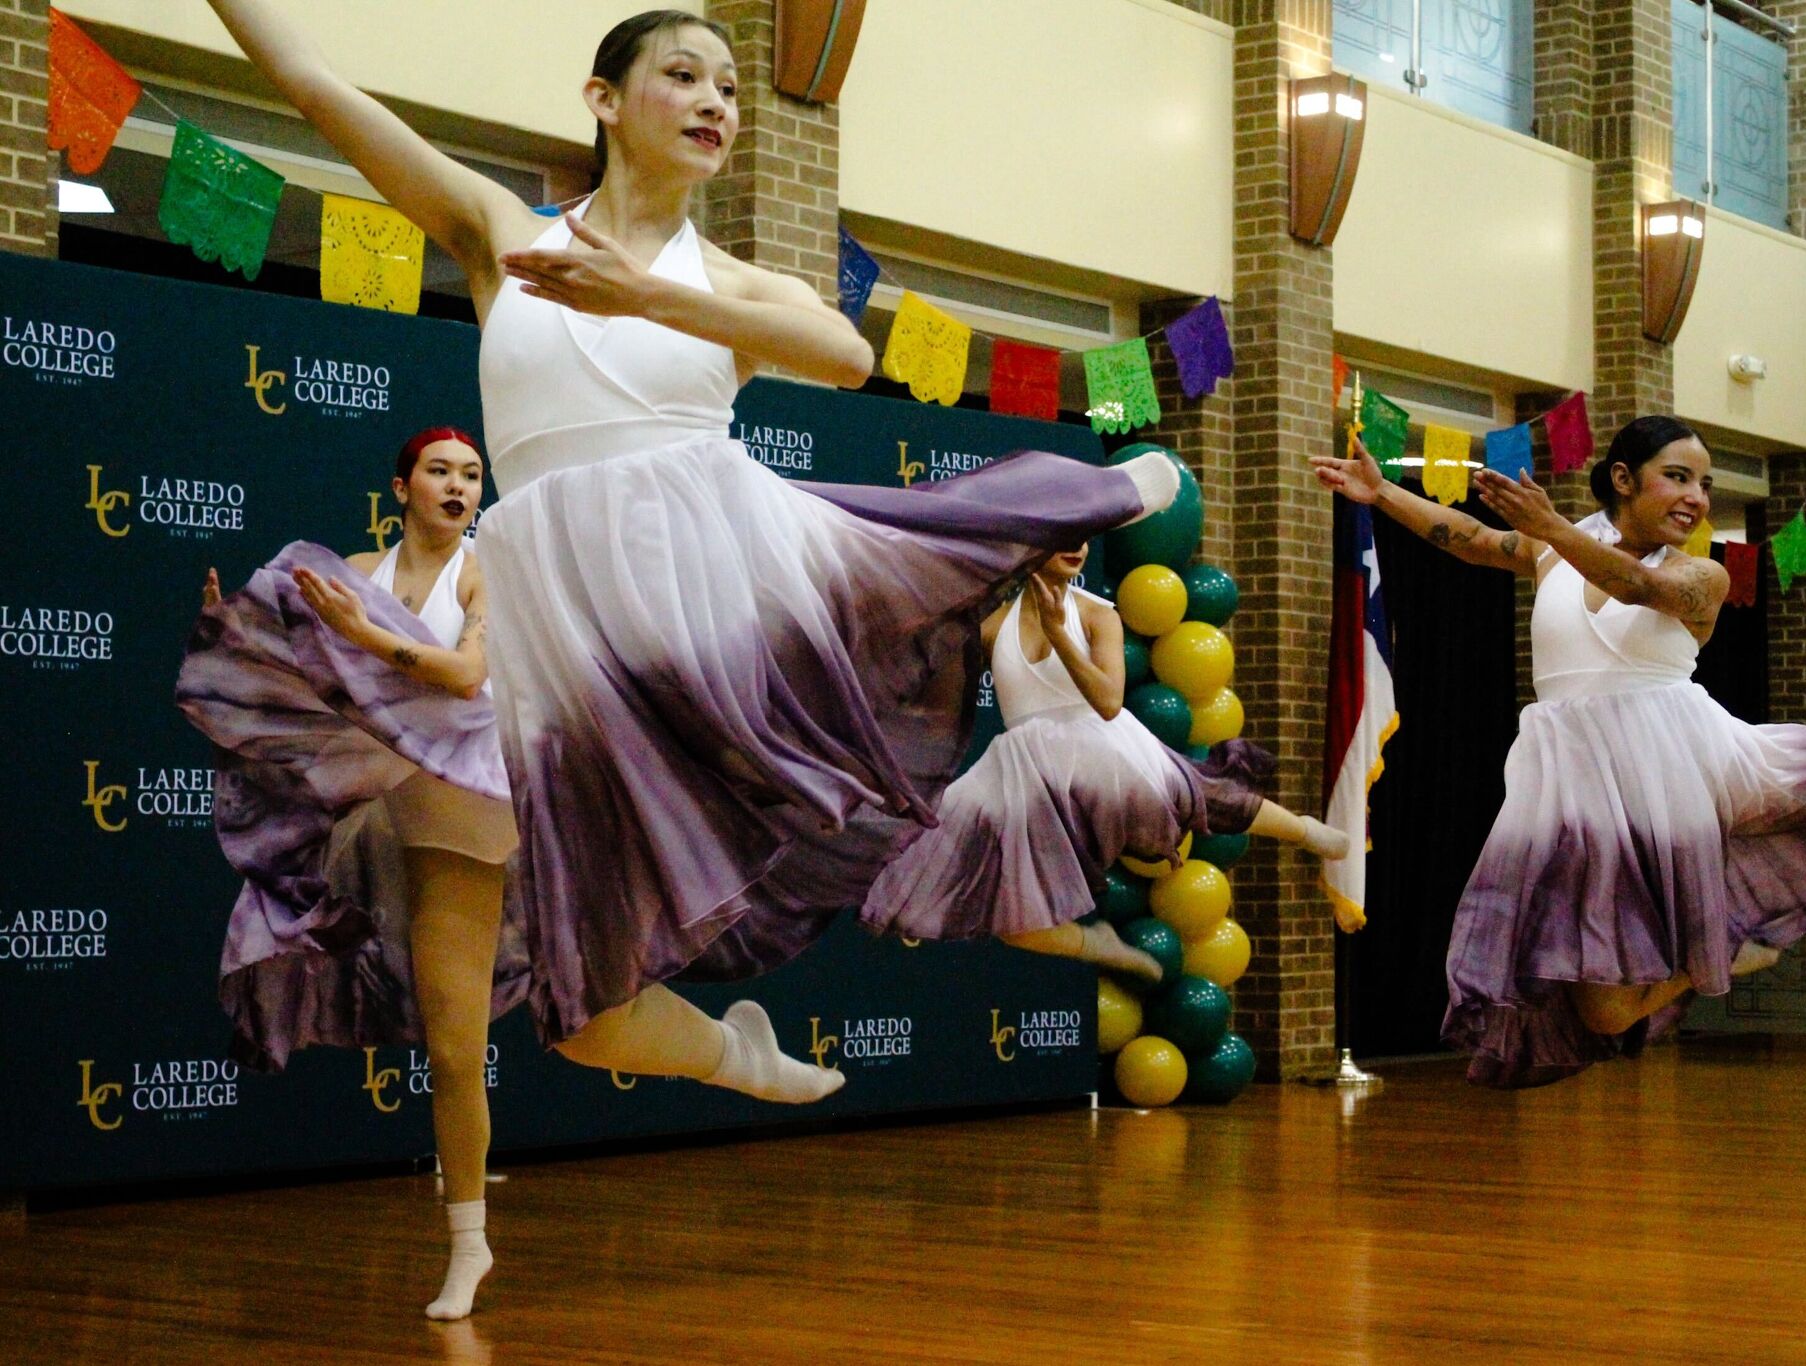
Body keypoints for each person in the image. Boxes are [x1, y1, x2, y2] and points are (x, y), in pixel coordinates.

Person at [199, 4, 1179, 1109]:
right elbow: (314, 85)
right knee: (581, 1013)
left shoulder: (730, 284)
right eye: (684, 76)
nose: (715, 101)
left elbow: (849, 354)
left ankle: (1069, 499)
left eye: (726, 86)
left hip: (705, 598)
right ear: (604, 100)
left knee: (893, 550)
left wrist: (651, 295)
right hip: (570, 644)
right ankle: (736, 1056)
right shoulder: (503, 235)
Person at [1312, 416, 1806, 1088]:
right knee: (1604, 1009)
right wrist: (1383, 494)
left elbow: (1638, 586)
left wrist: (1551, 528)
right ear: (1623, 478)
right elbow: (1470, 538)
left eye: (1704, 484)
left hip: (1675, 755)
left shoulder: (1703, 576)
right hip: (1574, 771)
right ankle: (1734, 943)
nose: (1697, 498)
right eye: (1678, 477)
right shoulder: (1557, 546)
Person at [181, 429, 518, 1320]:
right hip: (376, 808)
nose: (458, 487)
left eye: (472, 475)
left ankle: (469, 1245)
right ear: (402, 485)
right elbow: (300, 676)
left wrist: (364, 633)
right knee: (289, 899)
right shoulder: (357, 571)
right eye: (441, 472)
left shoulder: (488, 571)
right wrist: (235, 638)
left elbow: (463, 675)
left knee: (456, 1049)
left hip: (464, 812)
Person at [861, 544, 1350, 976]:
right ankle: (1095, 944)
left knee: (1199, 794)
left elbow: (1109, 700)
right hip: (1026, 768)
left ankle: (1305, 829)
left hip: (1101, 744)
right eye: (1063, 536)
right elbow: (933, 688)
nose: (1077, 546)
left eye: (1084, 537)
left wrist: (1060, 635)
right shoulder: (993, 627)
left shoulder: (1098, 615)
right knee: (1009, 917)